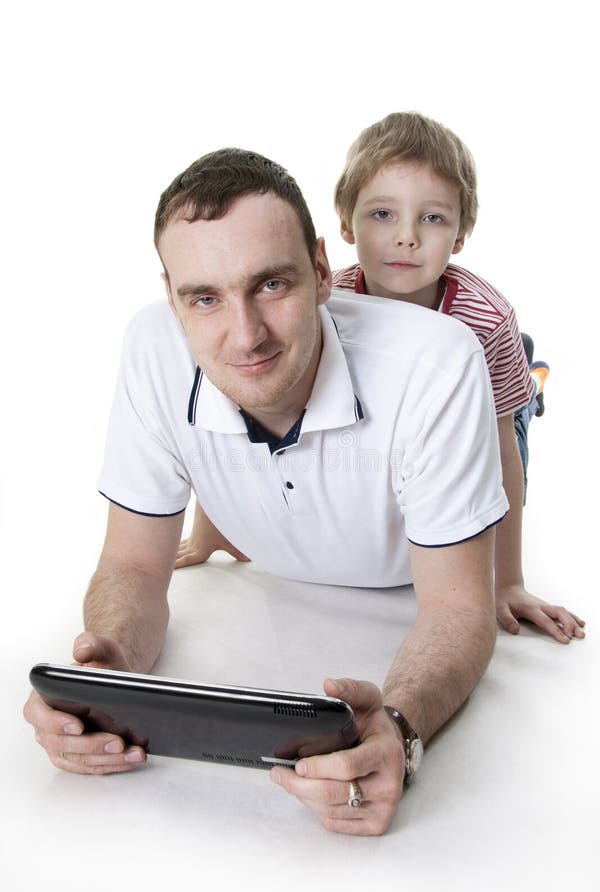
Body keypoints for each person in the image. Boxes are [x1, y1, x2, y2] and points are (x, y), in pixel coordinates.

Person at [23, 148, 527, 836]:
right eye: (204, 298)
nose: (246, 335)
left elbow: (458, 605)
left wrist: (399, 728)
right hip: (279, 542)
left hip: (411, 556)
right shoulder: (151, 346)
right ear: (172, 298)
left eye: (270, 284)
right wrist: (109, 672)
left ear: (321, 270)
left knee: (510, 421)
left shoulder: (439, 361)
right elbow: (134, 564)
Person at [176, 113, 585, 644]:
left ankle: (530, 381)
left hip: (492, 409)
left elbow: (503, 457)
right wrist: (212, 527)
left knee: (502, 430)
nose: (406, 238)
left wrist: (505, 582)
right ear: (347, 226)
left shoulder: (485, 322)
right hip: (404, 406)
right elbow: (243, 409)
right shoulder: (328, 302)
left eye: (432, 218)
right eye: (383, 214)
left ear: (461, 233)